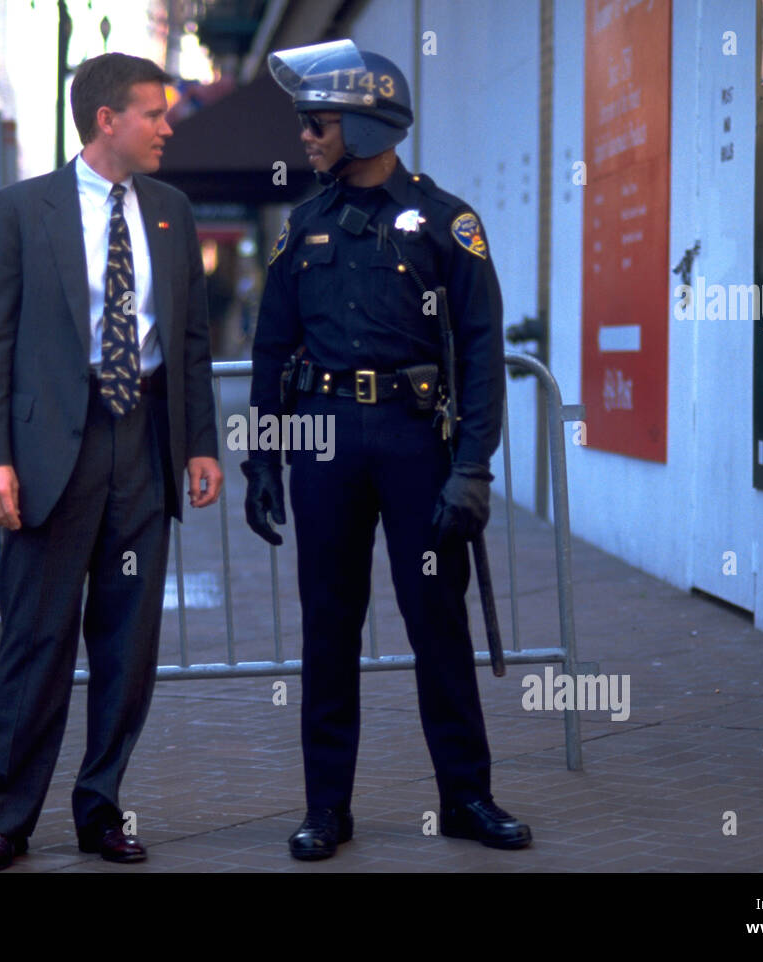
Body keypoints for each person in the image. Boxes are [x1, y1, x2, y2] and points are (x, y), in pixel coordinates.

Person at [243, 40, 532, 860]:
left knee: (438, 626)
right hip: (324, 445)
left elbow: (480, 351)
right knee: (328, 629)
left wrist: (474, 465)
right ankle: (326, 809)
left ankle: (468, 798)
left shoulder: (448, 222)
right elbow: (271, 350)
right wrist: (263, 458)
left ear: (366, 125)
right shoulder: (304, 225)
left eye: (318, 122)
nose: (304, 136)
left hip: (416, 444)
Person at [0, 52, 223, 871]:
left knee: (127, 645)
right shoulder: (18, 210)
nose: (167, 127)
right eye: (154, 112)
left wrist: (202, 443)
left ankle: (102, 808)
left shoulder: (173, 212)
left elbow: (189, 343)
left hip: (142, 444)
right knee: (36, 642)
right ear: (107, 120)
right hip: (47, 457)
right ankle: (6, 821)